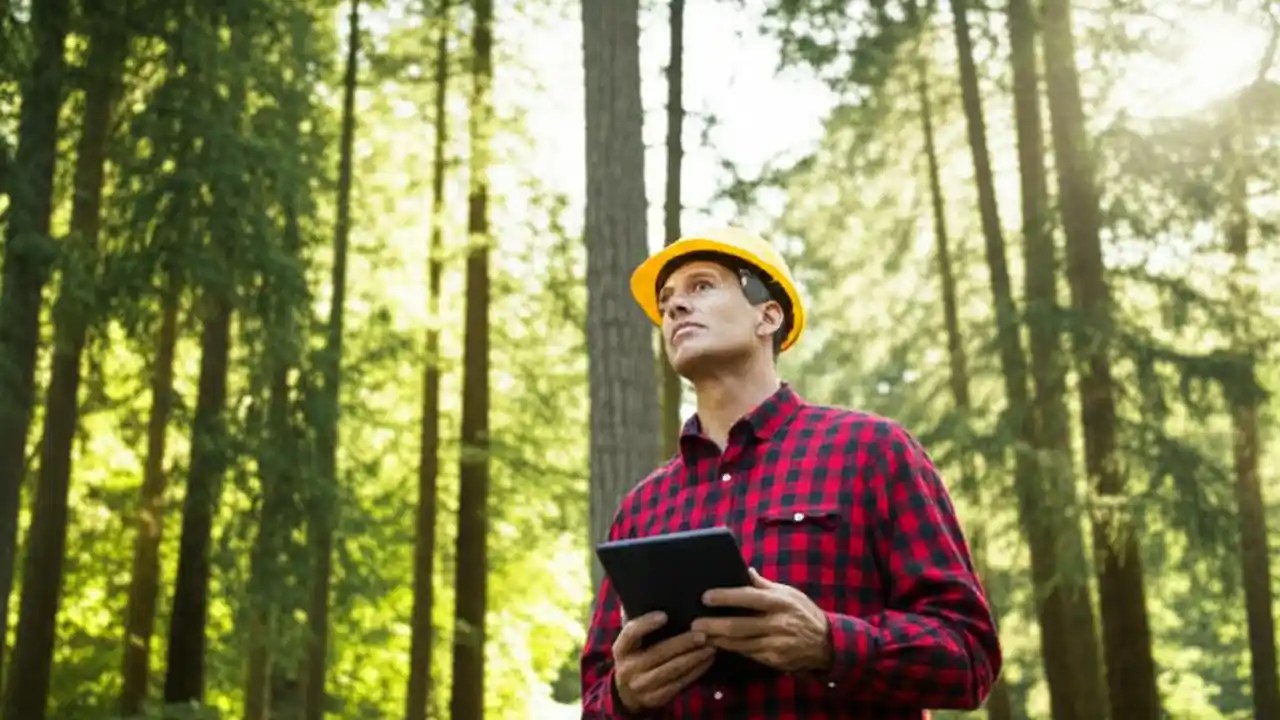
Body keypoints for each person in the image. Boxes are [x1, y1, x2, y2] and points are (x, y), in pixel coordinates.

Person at [579, 226, 1003, 719]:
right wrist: (624, 697)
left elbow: (968, 655)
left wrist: (830, 642)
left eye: (701, 286)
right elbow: (594, 698)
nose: (674, 307)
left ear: (768, 315)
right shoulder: (643, 507)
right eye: (666, 299)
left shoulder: (872, 452)